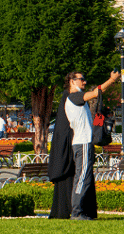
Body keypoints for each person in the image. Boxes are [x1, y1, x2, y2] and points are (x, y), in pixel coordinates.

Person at [48, 70, 120, 220]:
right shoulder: (74, 96)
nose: (84, 82)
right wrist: (111, 79)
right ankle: (77, 213)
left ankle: (79, 212)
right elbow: (95, 93)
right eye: (81, 79)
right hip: (82, 143)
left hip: (83, 143)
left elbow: (96, 94)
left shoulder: (76, 98)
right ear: (72, 81)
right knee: (82, 179)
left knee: (83, 178)